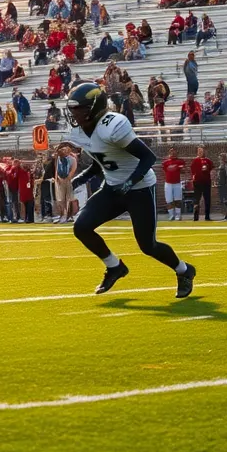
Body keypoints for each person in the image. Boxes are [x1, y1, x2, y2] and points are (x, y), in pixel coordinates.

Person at [62, 82, 196, 297]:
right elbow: (102, 160)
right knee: (82, 227)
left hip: (139, 188)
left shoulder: (113, 125)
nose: (73, 114)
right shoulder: (78, 131)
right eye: (71, 109)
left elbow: (147, 157)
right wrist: (79, 179)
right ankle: (115, 267)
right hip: (113, 187)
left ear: (94, 108)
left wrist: (129, 183)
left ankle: (184, 270)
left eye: (78, 108)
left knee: (148, 246)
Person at [52, 145, 76, 223]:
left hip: (68, 180)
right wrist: (57, 178)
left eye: (65, 150)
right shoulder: (58, 159)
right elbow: (57, 169)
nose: (64, 151)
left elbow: (73, 169)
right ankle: (62, 215)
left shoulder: (72, 159)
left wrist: (68, 178)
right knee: (61, 199)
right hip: (60, 180)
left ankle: (70, 215)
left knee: (69, 198)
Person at [161, 148, 185, 221]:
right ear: (169, 152)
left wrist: (178, 168)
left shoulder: (180, 161)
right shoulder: (165, 162)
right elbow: (164, 171)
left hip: (177, 183)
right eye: (171, 151)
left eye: (174, 151)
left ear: (177, 152)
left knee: (178, 199)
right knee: (169, 200)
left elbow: (183, 170)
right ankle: (171, 215)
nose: (173, 153)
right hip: (168, 183)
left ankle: (178, 215)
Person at [190, 147, 213, 221]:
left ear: (204, 151)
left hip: (206, 182)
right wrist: (193, 179)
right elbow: (192, 171)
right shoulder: (195, 161)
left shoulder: (208, 160)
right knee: (196, 199)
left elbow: (212, 169)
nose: (200, 152)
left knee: (207, 199)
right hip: (197, 182)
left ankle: (207, 216)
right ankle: (196, 217)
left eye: (201, 151)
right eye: (199, 151)